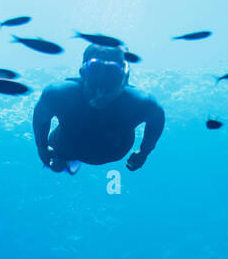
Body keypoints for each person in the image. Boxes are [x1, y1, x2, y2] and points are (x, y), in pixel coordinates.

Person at [32, 44, 165, 173]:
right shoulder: (58, 94)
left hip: (70, 146)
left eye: (112, 72)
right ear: (82, 72)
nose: (102, 86)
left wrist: (42, 147)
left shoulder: (143, 103)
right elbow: (40, 117)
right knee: (56, 166)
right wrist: (143, 152)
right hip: (100, 149)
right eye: (95, 70)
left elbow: (157, 120)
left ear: (126, 77)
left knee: (56, 165)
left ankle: (64, 161)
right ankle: (64, 161)